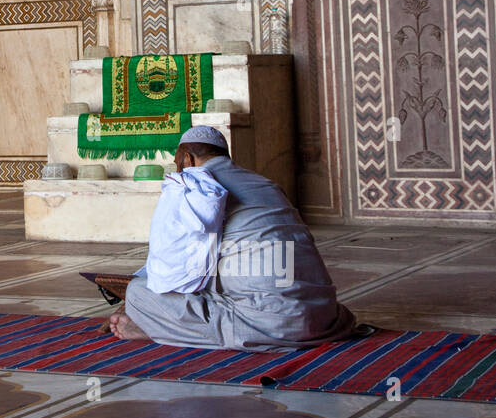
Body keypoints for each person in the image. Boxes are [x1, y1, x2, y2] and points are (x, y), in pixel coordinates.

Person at [107, 125, 362, 351]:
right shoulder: (266, 184)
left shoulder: (194, 184)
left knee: (139, 293)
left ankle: (158, 330)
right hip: (322, 314)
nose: (178, 169)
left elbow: (177, 270)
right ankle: (164, 328)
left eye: (178, 162)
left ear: (187, 158)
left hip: (272, 322)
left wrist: (136, 290)